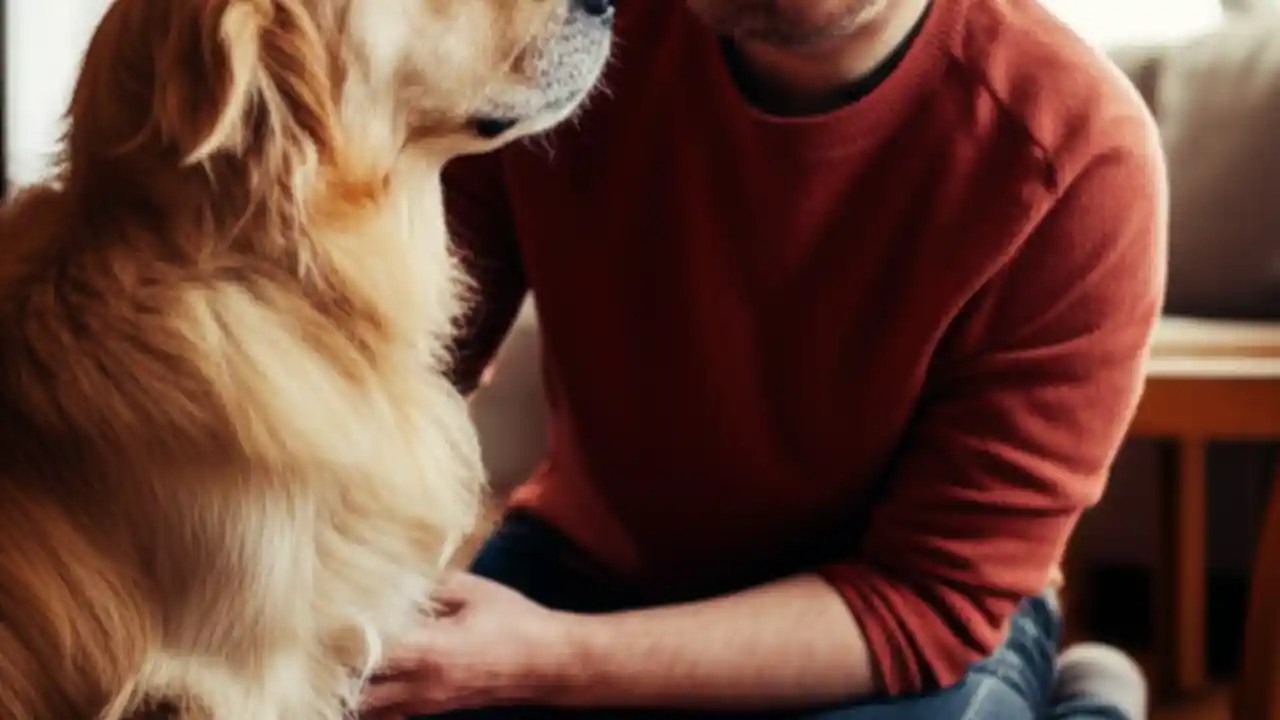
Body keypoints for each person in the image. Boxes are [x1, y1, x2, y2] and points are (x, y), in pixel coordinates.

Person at [359, 0, 1167, 717]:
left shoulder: (1081, 154)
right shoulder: (551, 33)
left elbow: (927, 601)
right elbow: (392, 360)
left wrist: (542, 661)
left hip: (879, 626)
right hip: (585, 569)